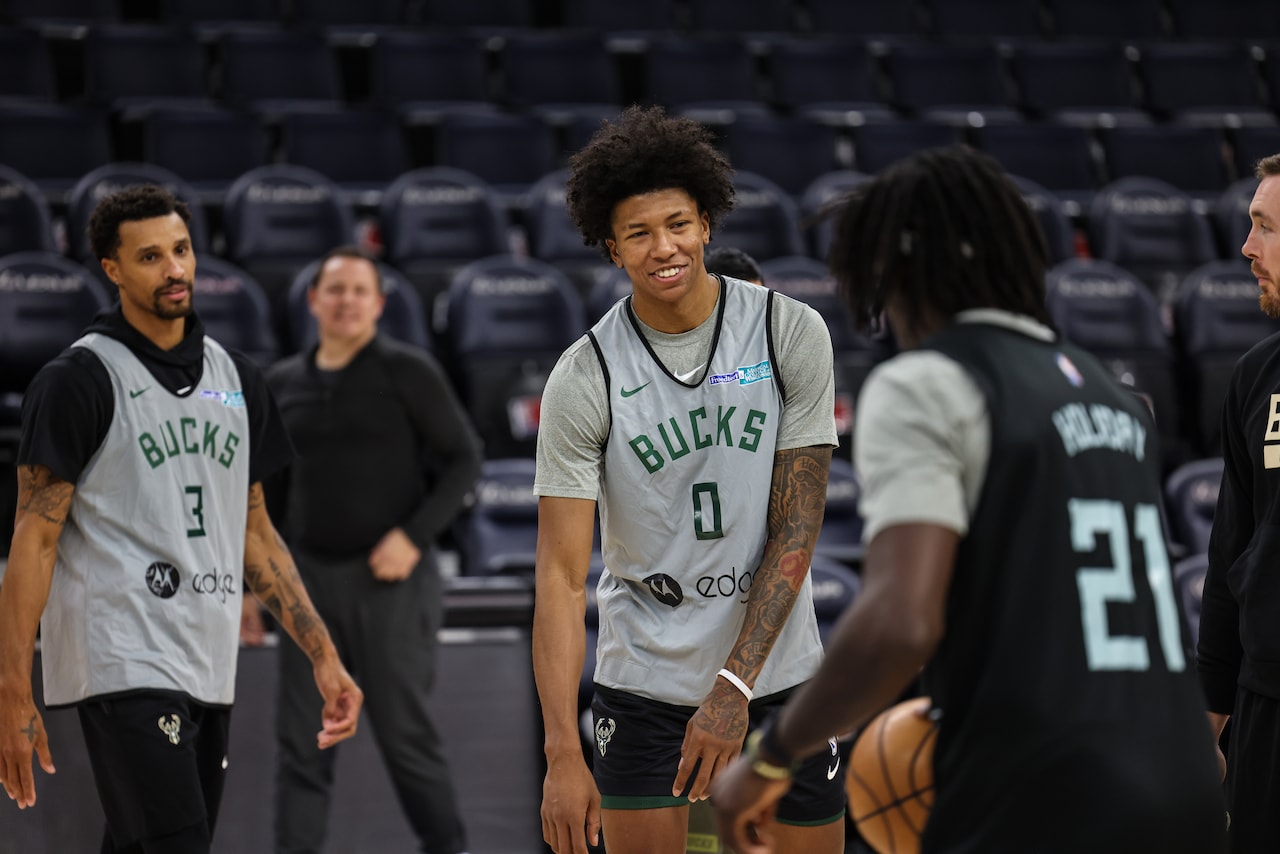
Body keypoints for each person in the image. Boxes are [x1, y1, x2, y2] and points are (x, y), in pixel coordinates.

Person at [710, 145, 1227, 853]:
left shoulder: (928, 383)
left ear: (895, 270)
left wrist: (774, 755)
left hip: (1045, 785)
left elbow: (900, 621)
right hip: (1187, 776)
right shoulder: (1111, 396)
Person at [0, 185, 363, 853]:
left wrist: (324, 655)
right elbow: (35, 539)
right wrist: (12, 688)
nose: (174, 269)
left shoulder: (238, 378)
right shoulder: (78, 379)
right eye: (149, 257)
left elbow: (256, 534)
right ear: (111, 269)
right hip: (121, 655)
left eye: (182, 250)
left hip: (205, 655)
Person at [531, 104, 845, 854]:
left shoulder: (789, 330)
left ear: (706, 222)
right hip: (646, 685)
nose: (662, 247)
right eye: (637, 233)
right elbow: (560, 577)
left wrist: (734, 687)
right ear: (610, 247)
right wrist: (561, 754)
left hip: (780, 679)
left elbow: (797, 529)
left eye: (677, 224)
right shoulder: (586, 374)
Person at [264, 246, 481, 854]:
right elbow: (267, 503)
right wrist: (261, 590)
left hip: (392, 583)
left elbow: (465, 460)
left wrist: (413, 538)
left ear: (379, 305)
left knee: (403, 734)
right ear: (313, 301)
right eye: (334, 290)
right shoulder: (281, 383)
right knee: (304, 741)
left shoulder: (408, 372)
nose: (346, 301)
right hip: (306, 584)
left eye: (360, 291)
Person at [1199, 150, 1280, 852]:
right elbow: (1229, 561)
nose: (1248, 247)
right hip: (1266, 705)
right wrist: (1207, 726)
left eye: (1266, 227)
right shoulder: (1257, 374)